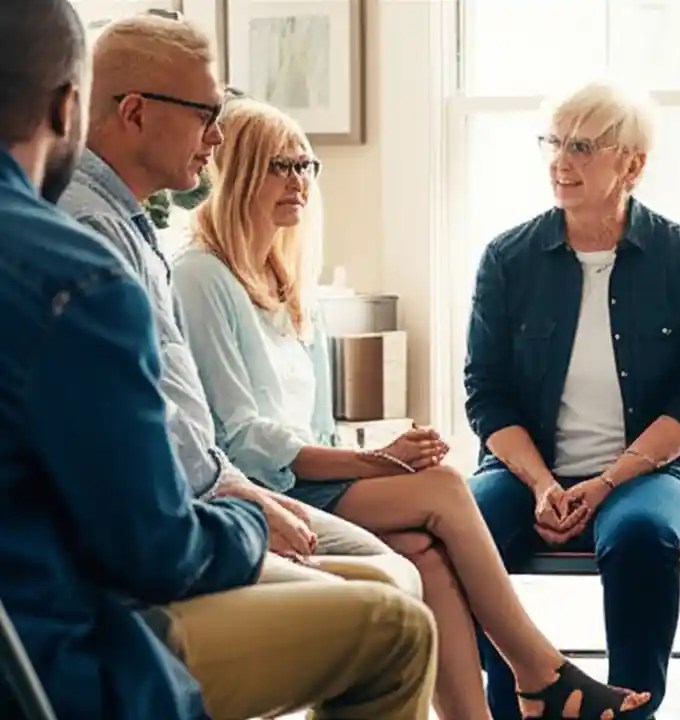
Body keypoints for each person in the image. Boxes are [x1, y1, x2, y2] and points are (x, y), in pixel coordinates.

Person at [0, 2, 436, 719]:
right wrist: (252, 522)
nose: (219, 136)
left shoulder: (117, 242)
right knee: (396, 630)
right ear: (68, 107)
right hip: (57, 655)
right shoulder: (75, 271)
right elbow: (152, 549)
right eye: (208, 113)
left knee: (387, 579)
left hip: (67, 590)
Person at [173, 96, 648, 720]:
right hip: (260, 489)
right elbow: (239, 438)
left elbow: (313, 427)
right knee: (447, 488)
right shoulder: (201, 276)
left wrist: (369, 461)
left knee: (429, 555)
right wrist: (374, 462)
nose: (296, 181)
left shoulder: (290, 285)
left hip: (311, 476)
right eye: (275, 166)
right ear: (234, 175)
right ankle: (543, 673)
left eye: (303, 165)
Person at [57, 13, 419, 592]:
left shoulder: (129, 226)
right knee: (392, 593)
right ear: (135, 113)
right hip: (167, 530)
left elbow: (181, 421)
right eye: (206, 115)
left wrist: (242, 497)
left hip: (204, 500)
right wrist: (245, 504)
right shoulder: (94, 231)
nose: (217, 138)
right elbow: (152, 419)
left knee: (400, 568)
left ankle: (536, 678)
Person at [464, 80, 680, 719]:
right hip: (524, 470)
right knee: (461, 534)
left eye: (581, 146)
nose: (560, 161)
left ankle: (627, 712)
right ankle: (525, 703)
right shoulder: (507, 258)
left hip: (649, 472)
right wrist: (541, 485)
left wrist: (608, 481)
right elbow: (487, 395)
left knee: (641, 536)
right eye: (553, 142)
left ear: (631, 164)